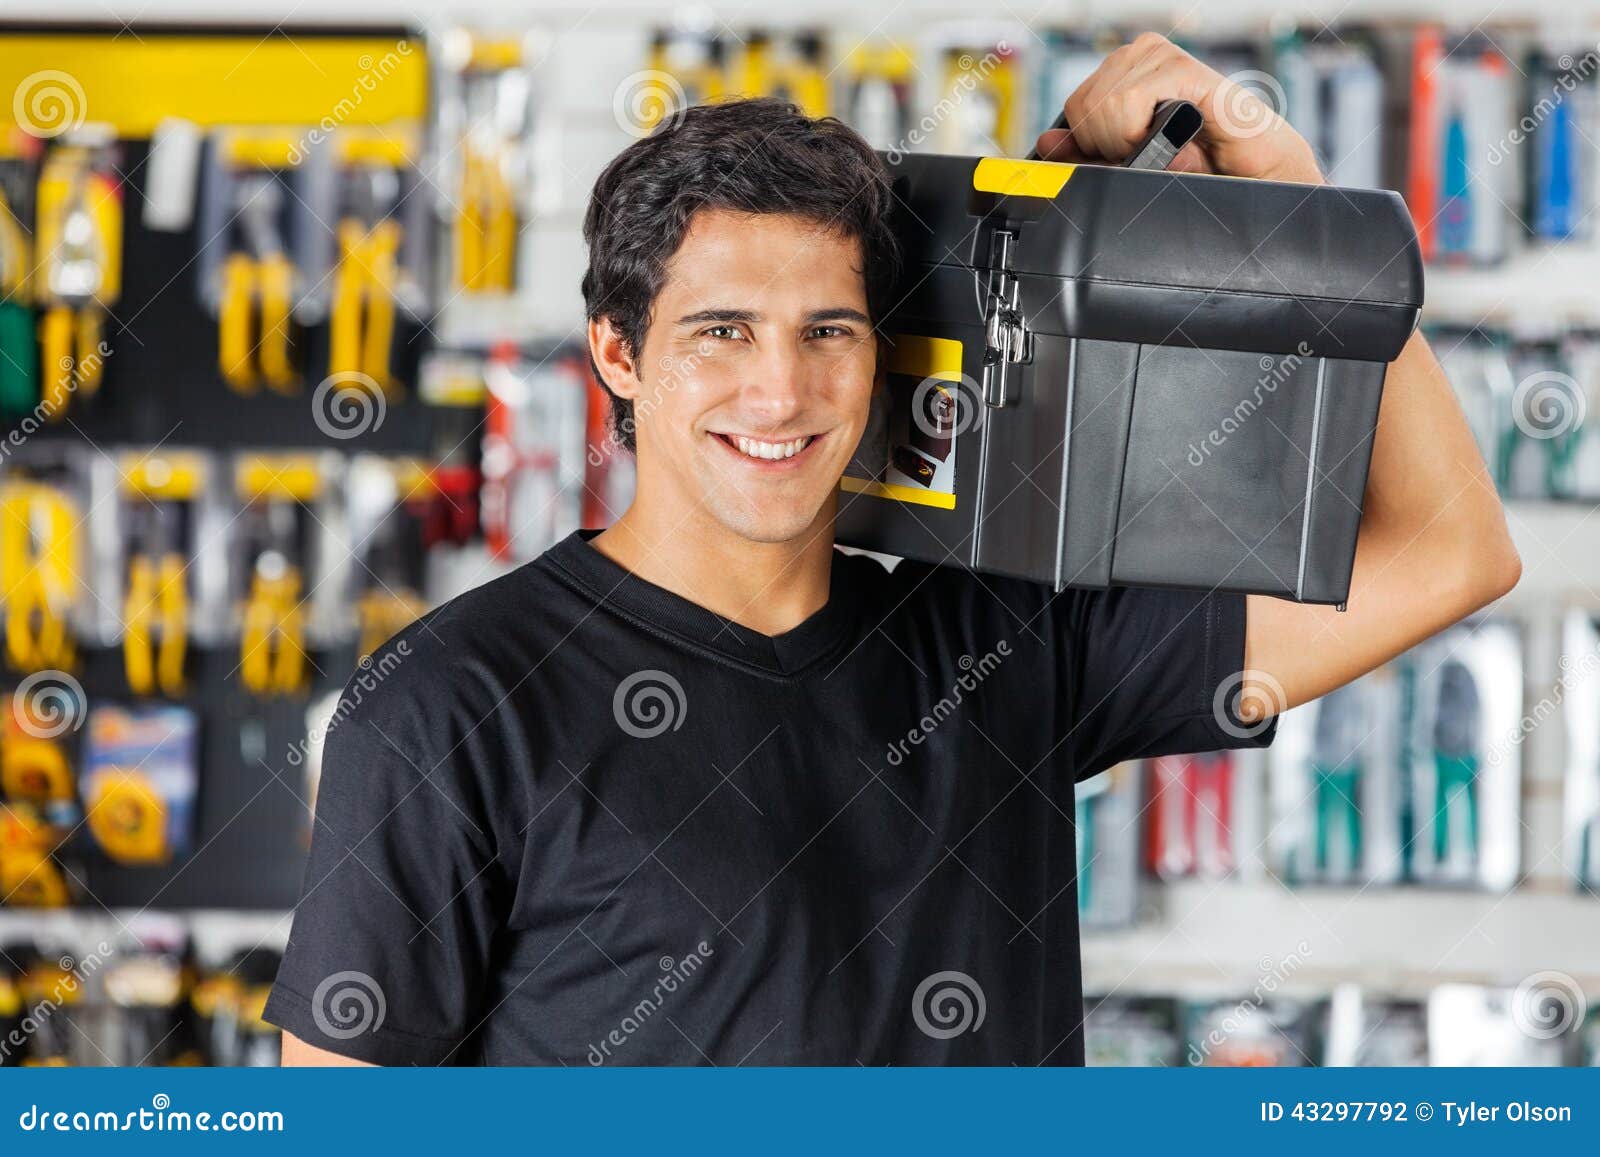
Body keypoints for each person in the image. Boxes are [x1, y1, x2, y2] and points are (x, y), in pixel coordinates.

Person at [267, 33, 1519, 1065]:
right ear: (614, 354)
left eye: (828, 329)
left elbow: (1449, 550)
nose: (781, 390)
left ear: (887, 352)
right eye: (720, 330)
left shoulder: (1001, 641)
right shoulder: (449, 704)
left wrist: (1287, 194)